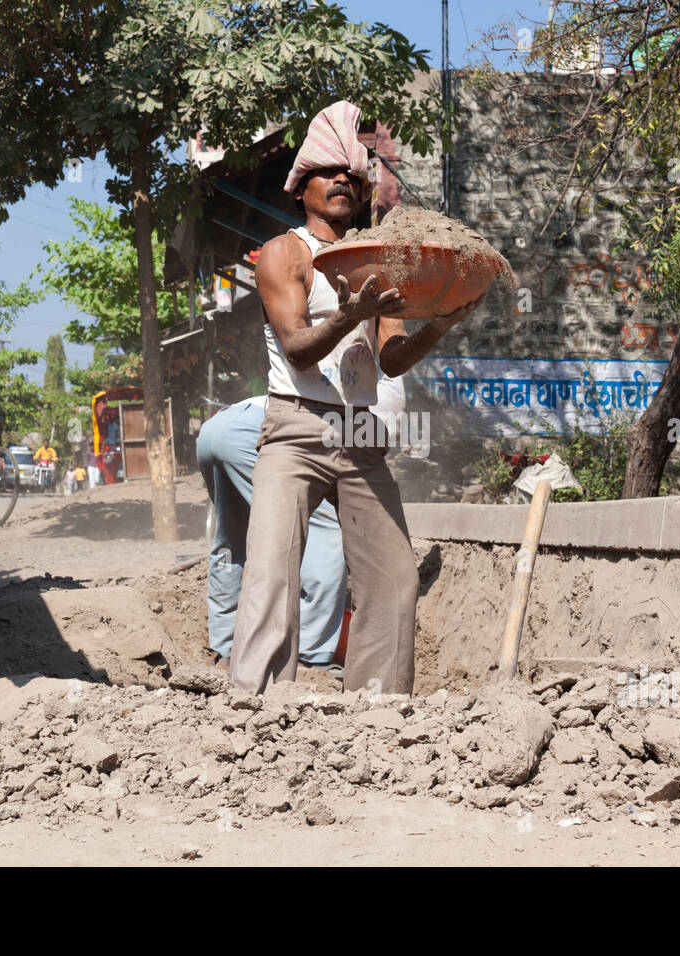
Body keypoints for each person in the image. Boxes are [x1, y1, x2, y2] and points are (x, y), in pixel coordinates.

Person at [230, 100, 483, 695]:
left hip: (361, 436)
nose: (343, 180)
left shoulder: (376, 259)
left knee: (394, 576)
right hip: (295, 429)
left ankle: (378, 708)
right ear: (302, 187)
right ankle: (253, 706)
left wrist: (440, 324)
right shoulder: (284, 253)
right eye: (328, 172)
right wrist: (353, 312)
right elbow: (297, 347)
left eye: (353, 173)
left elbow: (391, 359)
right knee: (271, 572)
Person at [199, 376, 406, 675]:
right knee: (328, 532)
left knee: (235, 540)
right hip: (258, 431)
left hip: (218, 429)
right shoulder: (377, 405)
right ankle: (312, 657)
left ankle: (228, 650)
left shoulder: (341, 391)